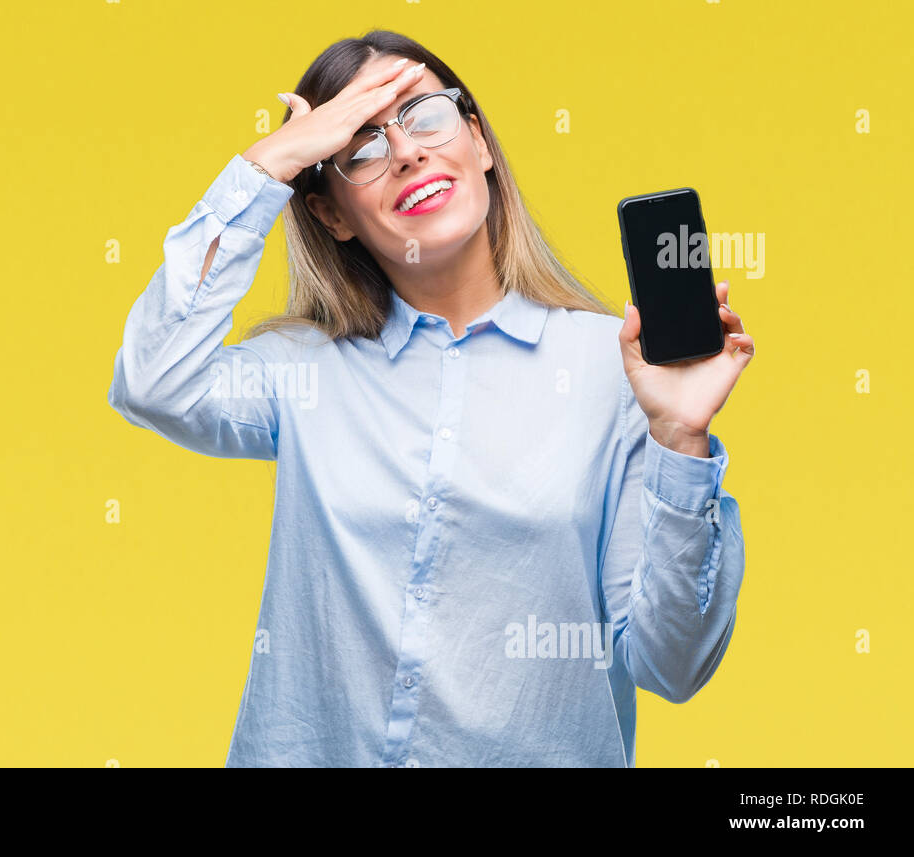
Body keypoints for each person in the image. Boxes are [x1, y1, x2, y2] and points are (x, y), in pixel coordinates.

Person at [107, 29, 754, 767]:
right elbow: (153, 381)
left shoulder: (615, 370)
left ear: (478, 142)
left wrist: (680, 442)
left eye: (424, 116)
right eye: (361, 145)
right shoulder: (305, 369)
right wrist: (271, 163)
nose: (407, 152)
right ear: (331, 214)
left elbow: (672, 665)